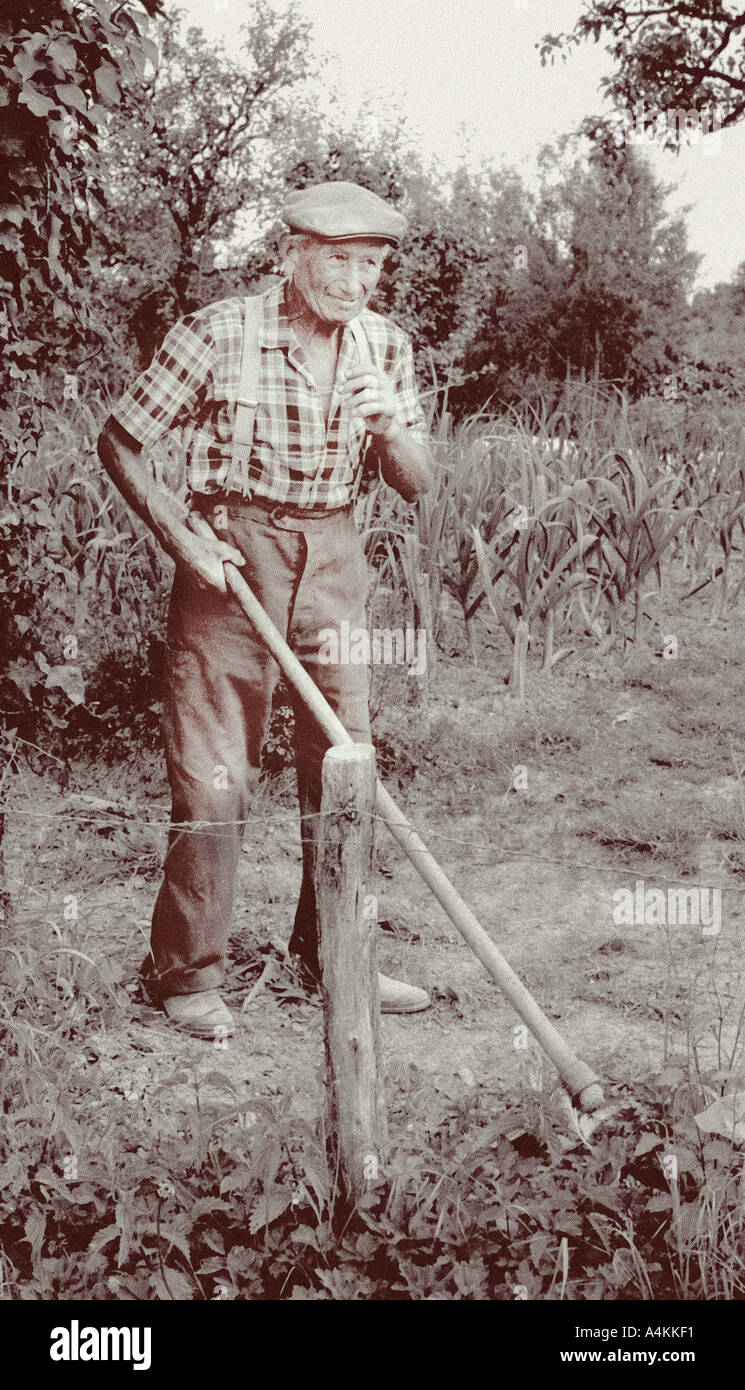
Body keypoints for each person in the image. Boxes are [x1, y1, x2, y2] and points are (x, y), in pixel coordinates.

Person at [97, 180, 434, 1039]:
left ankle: (334, 959)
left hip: (335, 559)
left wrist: (393, 429)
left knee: (343, 764)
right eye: (336, 261)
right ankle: (186, 973)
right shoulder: (219, 331)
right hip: (230, 562)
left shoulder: (385, 346)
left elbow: (415, 480)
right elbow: (121, 438)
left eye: (369, 265)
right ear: (291, 255)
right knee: (215, 777)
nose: (354, 282)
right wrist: (181, 536)